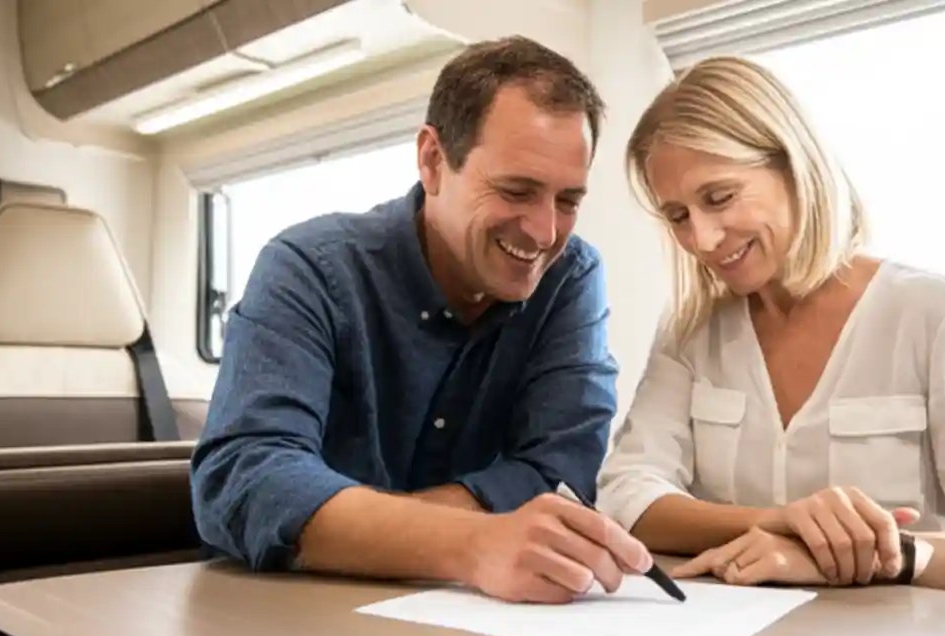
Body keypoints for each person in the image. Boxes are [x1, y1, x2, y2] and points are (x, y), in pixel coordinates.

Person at [595, 55, 945, 604]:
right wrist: (780, 523)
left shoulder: (937, 314)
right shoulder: (690, 331)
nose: (701, 239)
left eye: (720, 197)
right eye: (678, 215)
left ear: (794, 168)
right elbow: (626, 496)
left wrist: (885, 556)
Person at [191, 36, 652, 604]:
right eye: (516, 190)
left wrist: (357, 527)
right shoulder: (308, 268)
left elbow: (559, 471)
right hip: (298, 615)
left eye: (567, 200)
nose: (544, 232)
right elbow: (246, 479)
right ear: (433, 160)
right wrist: (472, 543)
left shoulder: (571, 278)